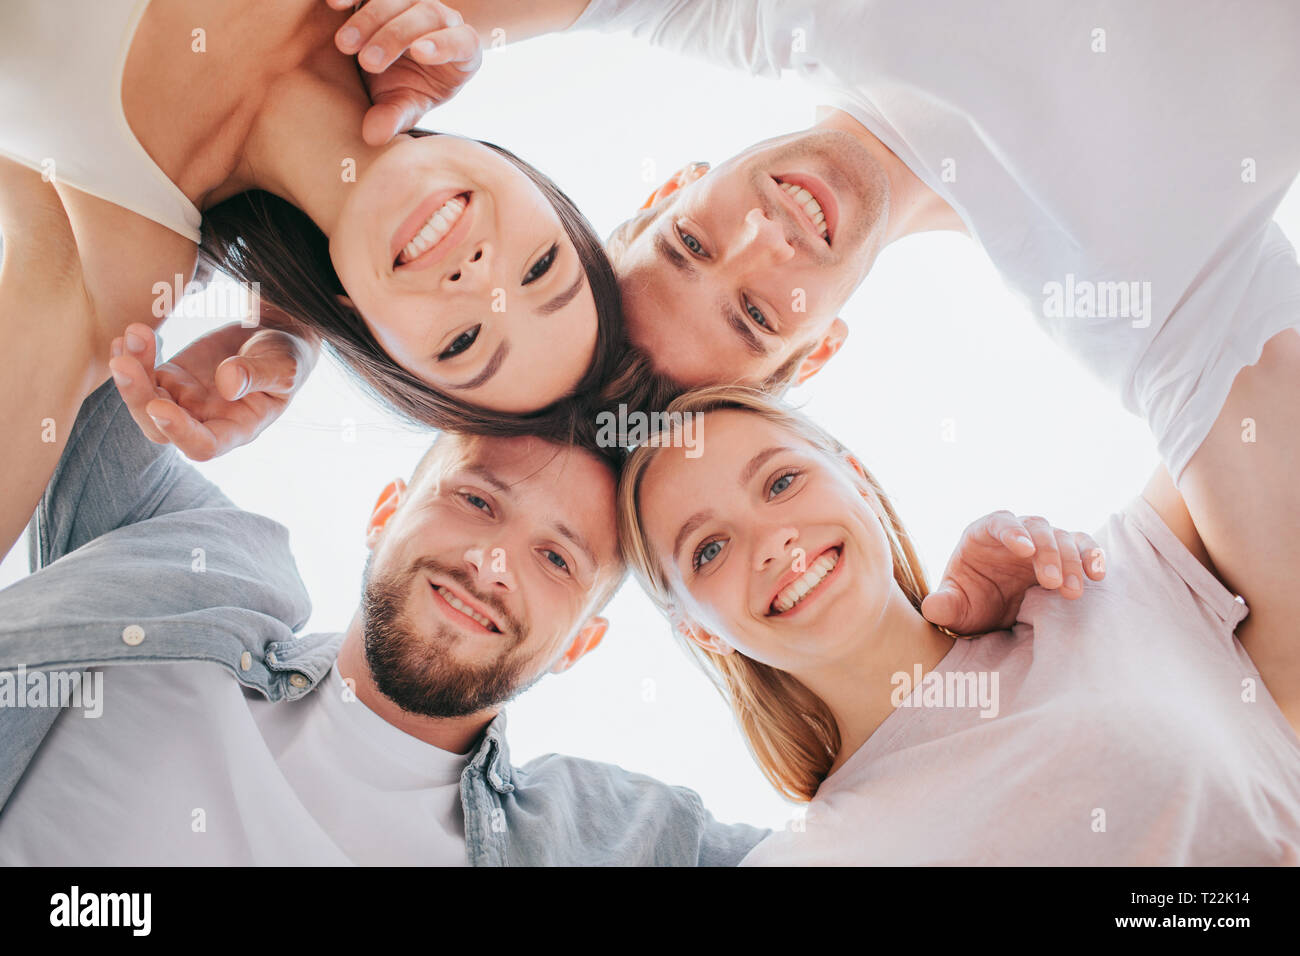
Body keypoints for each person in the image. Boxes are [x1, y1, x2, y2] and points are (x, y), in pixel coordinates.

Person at [397, 0, 1300, 730]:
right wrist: (1044, 658)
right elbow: (1278, 715)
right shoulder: (1148, 309)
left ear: (669, 190)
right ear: (818, 350)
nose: (765, 235)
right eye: (755, 315)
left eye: (690, 244)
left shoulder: (756, 15)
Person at [0, 334, 1086, 864]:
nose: (496, 563)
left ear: (585, 643)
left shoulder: (608, 840)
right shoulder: (198, 567)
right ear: (388, 503)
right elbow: (102, 292)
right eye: (475, 499)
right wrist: (283, 319)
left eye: (562, 560)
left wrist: (970, 669)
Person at [0, 0, 625, 561]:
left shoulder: (125, 257)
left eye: (463, 342)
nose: (478, 277)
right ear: (536, 183)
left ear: (367, 328)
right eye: (541, 268)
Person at [616, 386, 1300, 865]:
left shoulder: (1102, 583)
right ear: (698, 632)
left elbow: (1240, 366)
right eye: (708, 549)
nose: (770, 542)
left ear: (857, 479)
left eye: (781, 482)